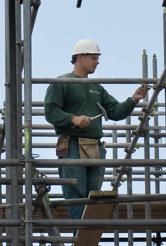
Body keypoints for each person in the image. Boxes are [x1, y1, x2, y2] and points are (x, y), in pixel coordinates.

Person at [43, 39, 149, 219]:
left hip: (94, 147)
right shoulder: (62, 82)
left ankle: (87, 235)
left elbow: (114, 111)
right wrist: (73, 119)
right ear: (80, 58)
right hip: (72, 145)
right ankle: (80, 234)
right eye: (93, 57)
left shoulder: (96, 87)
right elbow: (51, 112)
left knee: (93, 195)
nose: (97, 61)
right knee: (76, 193)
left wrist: (134, 99)